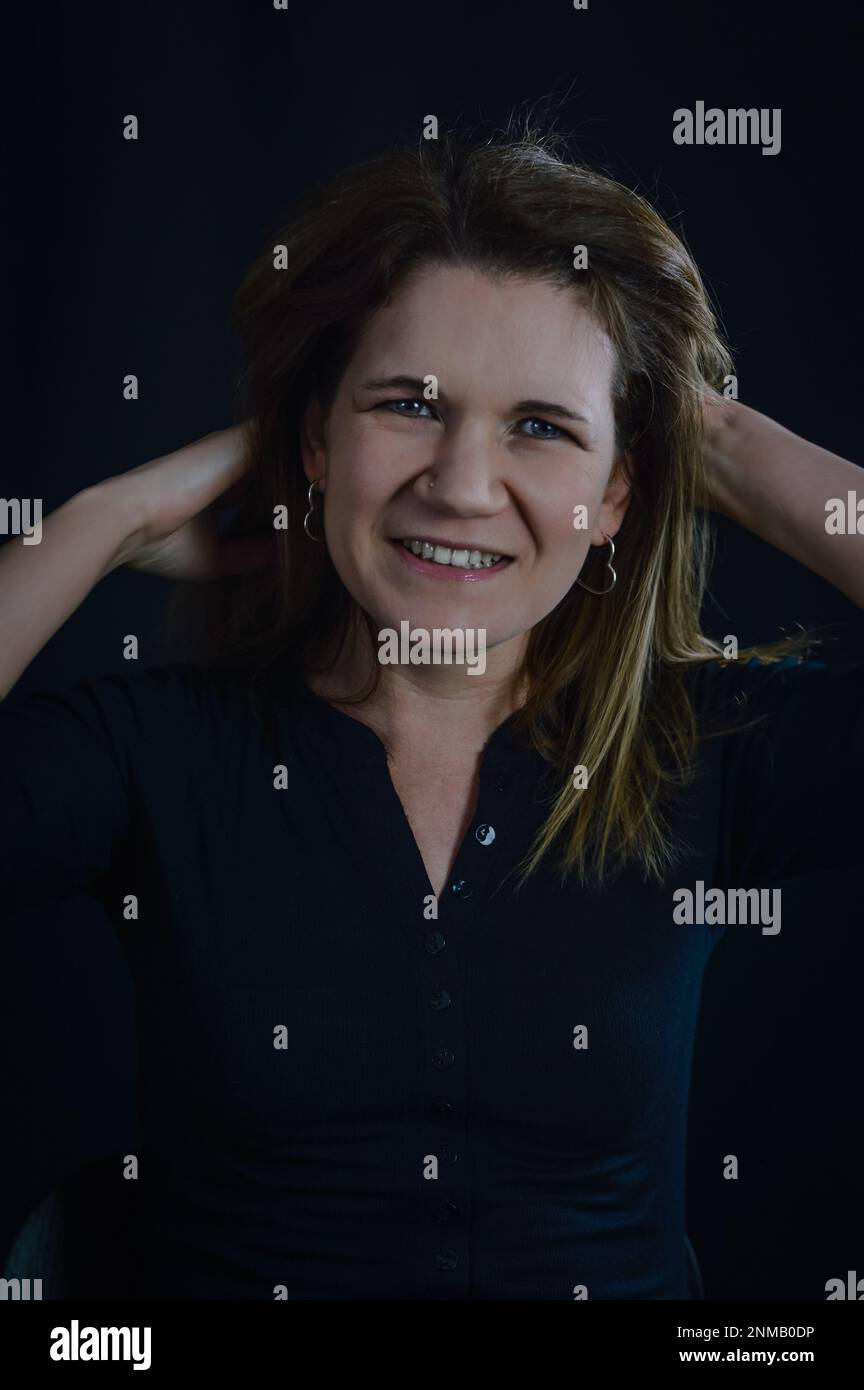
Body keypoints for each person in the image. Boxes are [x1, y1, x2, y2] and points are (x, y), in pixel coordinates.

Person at [1, 125, 862, 1300]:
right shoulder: (157, 749)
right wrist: (102, 522)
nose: (460, 483)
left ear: (621, 493)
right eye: (409, 404)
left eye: (542, 426)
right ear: (315, 439)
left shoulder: (703, 751)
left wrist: (731, 442)